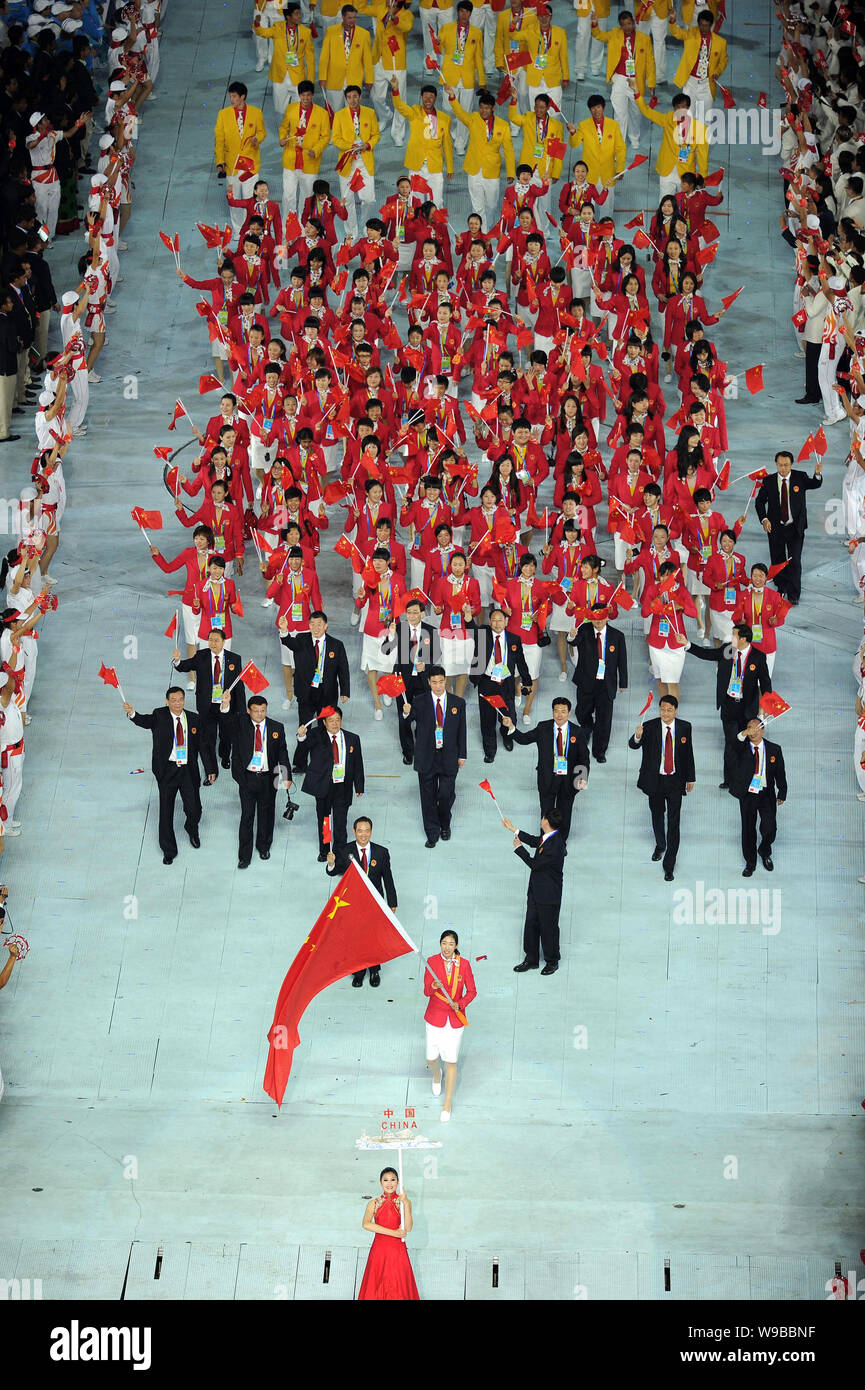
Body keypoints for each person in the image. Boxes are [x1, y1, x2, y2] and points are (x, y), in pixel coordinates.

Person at [122, 687, 207, 865]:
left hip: (188, 770)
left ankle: (191, 828)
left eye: (180, 699)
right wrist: (132, 713)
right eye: (174, 700)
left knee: (195, 809)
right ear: (167, 701)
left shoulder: (193, 719)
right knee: (166, 812)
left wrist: (211, 769)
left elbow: (203, 746)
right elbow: (145, 721)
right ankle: (169, 850)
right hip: (167, 771)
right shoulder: (159, 715)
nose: (178, 703)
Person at [684, 623, 771, 788]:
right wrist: (688, 645)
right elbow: (707, 654)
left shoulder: (758, 657)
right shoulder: (727, 650)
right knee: (731, 742)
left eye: (734, 635)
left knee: (748, 742)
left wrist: (764, 708)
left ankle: (748, 777)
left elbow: (766, 684)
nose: (730, 638)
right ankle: (730, 780)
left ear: (743, 639)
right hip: (729, 704)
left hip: (748, 707)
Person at [219, 693, 292, 869]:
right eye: (256, 711)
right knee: (247, 816)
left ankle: (264, 847)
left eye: (263, 711)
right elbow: (225, 721)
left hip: (269, 778)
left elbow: (282, 752)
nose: (259, 714)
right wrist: (225, 704)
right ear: (248, 711)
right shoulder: (240, 724)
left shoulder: (276, 727)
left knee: (267, 815)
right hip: (247, 778)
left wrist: (286, 775)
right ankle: (244, 855)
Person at [627, 693, 695, 880]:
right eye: (663, 709)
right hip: (655, 780)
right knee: (657, 815)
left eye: (669, 709)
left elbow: (688, 754)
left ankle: (669, 864)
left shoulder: (684, 727)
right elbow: (632, 745)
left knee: (674, 821)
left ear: (676, 710)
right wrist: (637, 736)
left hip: (675, 781)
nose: (665, 713)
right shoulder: (648, 726)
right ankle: (660, 845)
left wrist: (691, 778)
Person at [501, 696, 589, 838]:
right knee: (546, 813)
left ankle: (561, 842)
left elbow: (584, 758)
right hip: (547, 778)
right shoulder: (543, 728)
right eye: (556, 711)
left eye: (563, 711)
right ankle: (545, 841)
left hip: (568, 780)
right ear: (552, 712)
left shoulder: (577, 732)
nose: (559, 715)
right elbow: (524, 739)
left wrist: (582, 778)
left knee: (565, 812)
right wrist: (511, 726)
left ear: (569, 713)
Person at [327, 815, 398, 986]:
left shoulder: (381, 852)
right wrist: (331, 864)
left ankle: (374, 970)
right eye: (360, 831)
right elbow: (333, 871)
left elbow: (387, 878)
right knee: (356, 936)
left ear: (371, 832)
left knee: (373, 937)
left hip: (375, 902)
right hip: (353, 902)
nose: (363, 834)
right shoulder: (345, 851)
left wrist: (392, 902)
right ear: (354, 832)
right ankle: (358, 971)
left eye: (367, 831)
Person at [402, 665, 467, 847]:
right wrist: (406, 712)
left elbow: (462, 730)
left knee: (446, 795)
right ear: (429, 682)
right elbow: (407, 721)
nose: (438, 686)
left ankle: (444, 825)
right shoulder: (419, 701)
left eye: (441, 682)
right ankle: (432, 833)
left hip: (449, 756)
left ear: (445, 681)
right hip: (426, 756)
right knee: (427, 798)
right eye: (434, 682)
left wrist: (462, 754)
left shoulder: (457, 703)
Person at [172, 629, 244, 780]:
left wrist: (241, 711)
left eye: (216, 640)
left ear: (224, 642)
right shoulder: (201, 656)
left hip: (225, 706)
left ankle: (225, 757)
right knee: (208, 738)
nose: (213, 643)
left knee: (226, 736)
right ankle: (211, 770)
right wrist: (177, 661)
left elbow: (239, 686)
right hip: (207, 706)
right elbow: (185, 666)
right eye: (210, 639)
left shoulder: (234, 659)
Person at [754, 450, 823, 606]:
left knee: (795, 560)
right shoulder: (769, 481)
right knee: (777, 560)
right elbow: (759, 502)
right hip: (775, 528)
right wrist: (764, 519)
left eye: (786, 465)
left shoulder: (801, 477)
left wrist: (817, 474)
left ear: (791, 464)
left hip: (795, 528)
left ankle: (794, 593)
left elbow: (815, 484)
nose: (783, 468)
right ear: (776, 464)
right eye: (780, 465)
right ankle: (781, 586)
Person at [294, 708, 365, 860]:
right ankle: (325, 850)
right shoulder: (315, 736)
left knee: (340, 821)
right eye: (331, 720)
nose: (335, 723)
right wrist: (301, 736)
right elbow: (303, 748)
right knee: (324, 820)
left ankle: (340, 853)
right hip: (323, 786)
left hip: (343, 787)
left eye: (337, 719)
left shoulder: (352, 738)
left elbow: (358, 764)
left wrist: (359, 786)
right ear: (324, 722)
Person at [504, 809, 567, 975]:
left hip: (548, 894)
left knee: (549, 928)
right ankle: (531, 959)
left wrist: (519, 849)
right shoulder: (547, 837)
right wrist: (513, 829)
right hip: (535, 891)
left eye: (543, 817)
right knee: (531, 924)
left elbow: (535, 865)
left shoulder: (555, 845)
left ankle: (552, 961)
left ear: (546, 821)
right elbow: (534, 841)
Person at [422, 928, 476, 1120]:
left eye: (451, 944)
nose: (447, 947)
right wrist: (433, 986)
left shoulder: (465, 965)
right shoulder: (431, 962)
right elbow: (426, 992)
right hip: (435, 1017)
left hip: (454, 1020)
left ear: (456, 946)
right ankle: (437, 1075)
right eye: (444, 943)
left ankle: (447, 1103)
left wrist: (460, 1004)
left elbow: (472, 992)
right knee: (431, 1059)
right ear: (440, 944)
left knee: (451, 1061)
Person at [470, 607, 531, 762]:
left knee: (509, 715)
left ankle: (507, 736)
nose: (497, 623)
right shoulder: (483, 635)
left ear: (506, 621)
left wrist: (527, 680)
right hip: (487, 682)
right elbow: (471, 628)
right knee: (487, 718)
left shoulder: (513, 639)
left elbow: (521, 662)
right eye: (494, 620)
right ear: (490, 622)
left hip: (506, 683)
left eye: (500, 620)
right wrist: (468, 617)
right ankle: (490, 750)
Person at [568, 605, 628, 762]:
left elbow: (622, 661)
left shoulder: (617, 636)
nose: (598, 621)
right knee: (582, 712)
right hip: (586, 681)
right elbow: (574, 642)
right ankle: (587, 728)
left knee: (604, 719)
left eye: (602, 617)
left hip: (606, 684)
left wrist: (623, 682)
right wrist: (571, 636)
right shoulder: (584, 630)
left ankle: (599, 750)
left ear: (607, 617)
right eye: (595, 618)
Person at [730, 717, 786, 877]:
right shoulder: (741, 747)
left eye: (756, 728)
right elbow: (736, 740)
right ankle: (750, 862)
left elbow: (780, 773)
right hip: (747, 793)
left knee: (770, 827)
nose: (753, 731)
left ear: (763, 730)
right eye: (749, 728)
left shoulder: (774, 749)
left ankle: (764, 850)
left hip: (766, 793)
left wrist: (782, 792)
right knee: (748, 829)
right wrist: (745, 732)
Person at [278, 609, 350, 725]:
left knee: (326, 726)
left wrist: (345, 691)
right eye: (312, 624)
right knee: (304, 726)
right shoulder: (301, 639)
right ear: (309, 625)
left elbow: (343, 670)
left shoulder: (336, 645)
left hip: (327, 692)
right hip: (306, 691)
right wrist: (284, 630)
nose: (315, 628)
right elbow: (289, 642)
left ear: (326, 626)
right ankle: (303, 743)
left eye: (319, 624)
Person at [358, 1167, 419, 1300]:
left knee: (399, 1285)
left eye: (393, 1180)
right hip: (379, 1250)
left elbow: (408, 1228)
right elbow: (366, 1224)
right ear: (380, 1182)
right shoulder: (373, 1203)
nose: (389, 1183)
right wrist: (394, 1233)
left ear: (398, 1182)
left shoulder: (404, 1203)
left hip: (398, 1250)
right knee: (377, 1285)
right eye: (386, 1180)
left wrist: (406, 1203)